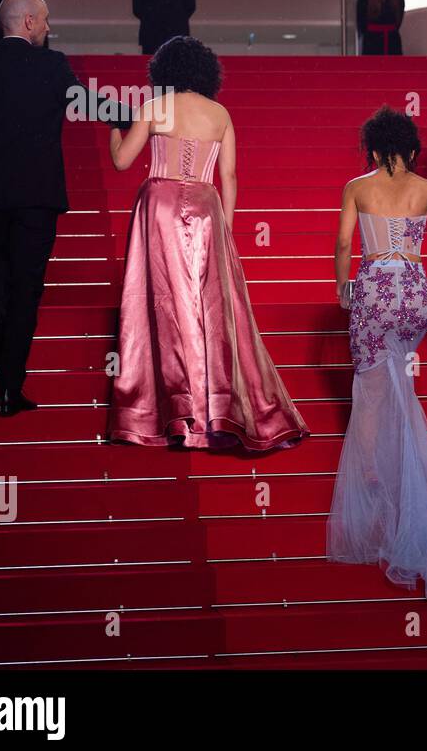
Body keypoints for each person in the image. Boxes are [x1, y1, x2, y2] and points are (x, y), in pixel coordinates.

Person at [108, 36, 309, 450]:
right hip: (205, 205)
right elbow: (230, 177)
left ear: (163, 71)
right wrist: (226, 228)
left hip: (159, 206)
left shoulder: (155, 107)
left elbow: (122, 160)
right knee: (207, 307)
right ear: (206, 72)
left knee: (162, 304)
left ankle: (169, 412)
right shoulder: (220, 114)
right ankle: (215, 411)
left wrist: (115, 128)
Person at [326, 107, 427, 603]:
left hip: (373, 291)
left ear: (371, 150)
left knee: (372, 385)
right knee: (398, 375)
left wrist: (344, 288)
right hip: (414, 296)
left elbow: (345, 244)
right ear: (412, 151)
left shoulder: (357, 186)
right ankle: (408, 466)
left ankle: (378, 480)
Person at [0, 0, 126, 415]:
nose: (49, 28)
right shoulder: (51, 65)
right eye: (45, 20)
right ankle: (10, 388)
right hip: (37, 195)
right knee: (27, 288)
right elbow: (84, 103)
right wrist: (132, 116)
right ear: (28, 22)